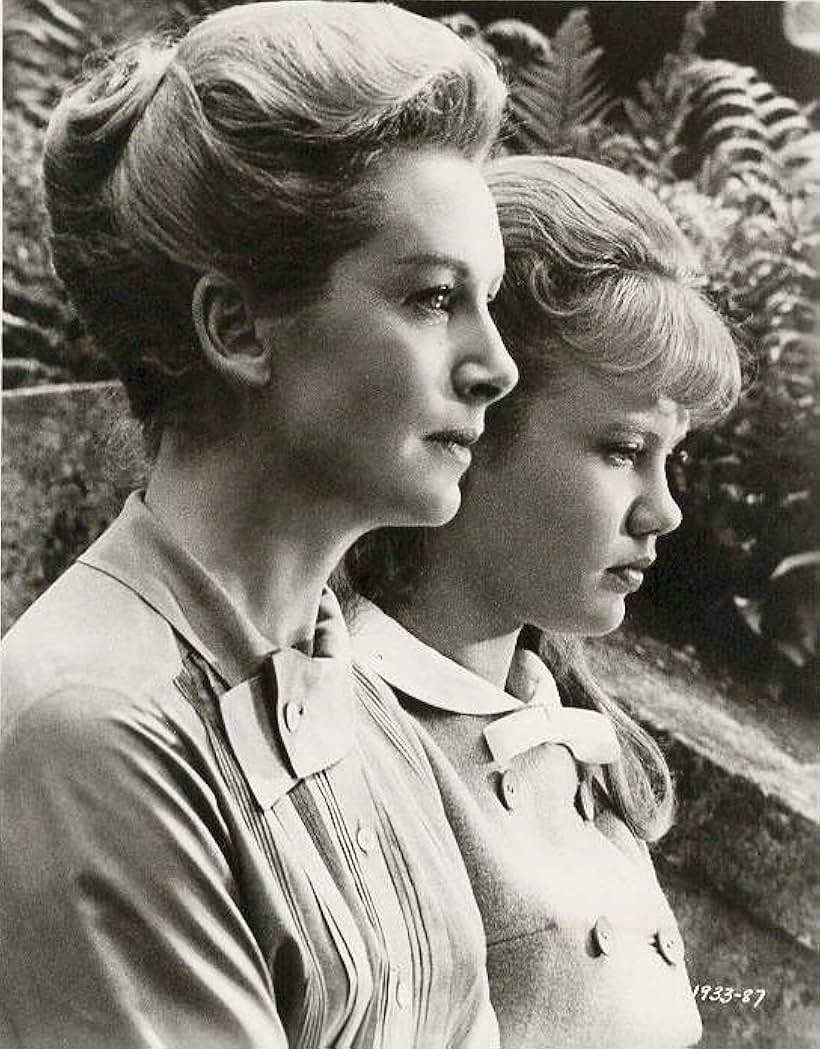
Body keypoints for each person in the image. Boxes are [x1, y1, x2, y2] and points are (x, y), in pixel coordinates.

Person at [0, 5, 520, 1048]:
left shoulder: (360, 701)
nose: (495, 365)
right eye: (430, 299)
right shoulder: (93, 726)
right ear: (236, 328)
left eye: (488, 301)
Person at [345, 154, 743, 1049]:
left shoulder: (564, 724)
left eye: (667, 457)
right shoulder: (363, 741)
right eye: (621, 448)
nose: (665, 508)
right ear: (472, 430)